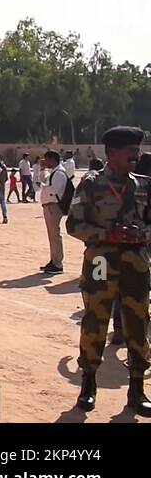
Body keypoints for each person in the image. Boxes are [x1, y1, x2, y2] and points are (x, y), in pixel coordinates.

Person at [68, 127, 151, 416]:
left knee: (139, 323)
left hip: (137, 265)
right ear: (111, 153)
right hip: (101, 264)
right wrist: (109, 235)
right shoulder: (91, 184)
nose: (136, 155)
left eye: (137, 150)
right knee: (95, 321)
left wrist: (142, 234)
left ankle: (137, 390)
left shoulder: (143, 185)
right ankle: (88, 385)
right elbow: (74, 225)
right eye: (130, 151)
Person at [40, 150, 69, 275]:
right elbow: (43, 179)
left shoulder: (59, 173)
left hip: (54, 206)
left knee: (55, 235)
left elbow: (55, 190)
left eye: (47, 160)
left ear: (53, 160)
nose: (45, 162)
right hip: (50, 206)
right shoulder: (54, 172)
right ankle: (54, 260)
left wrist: (44, 187)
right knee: (52, 236)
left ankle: (58, 264)